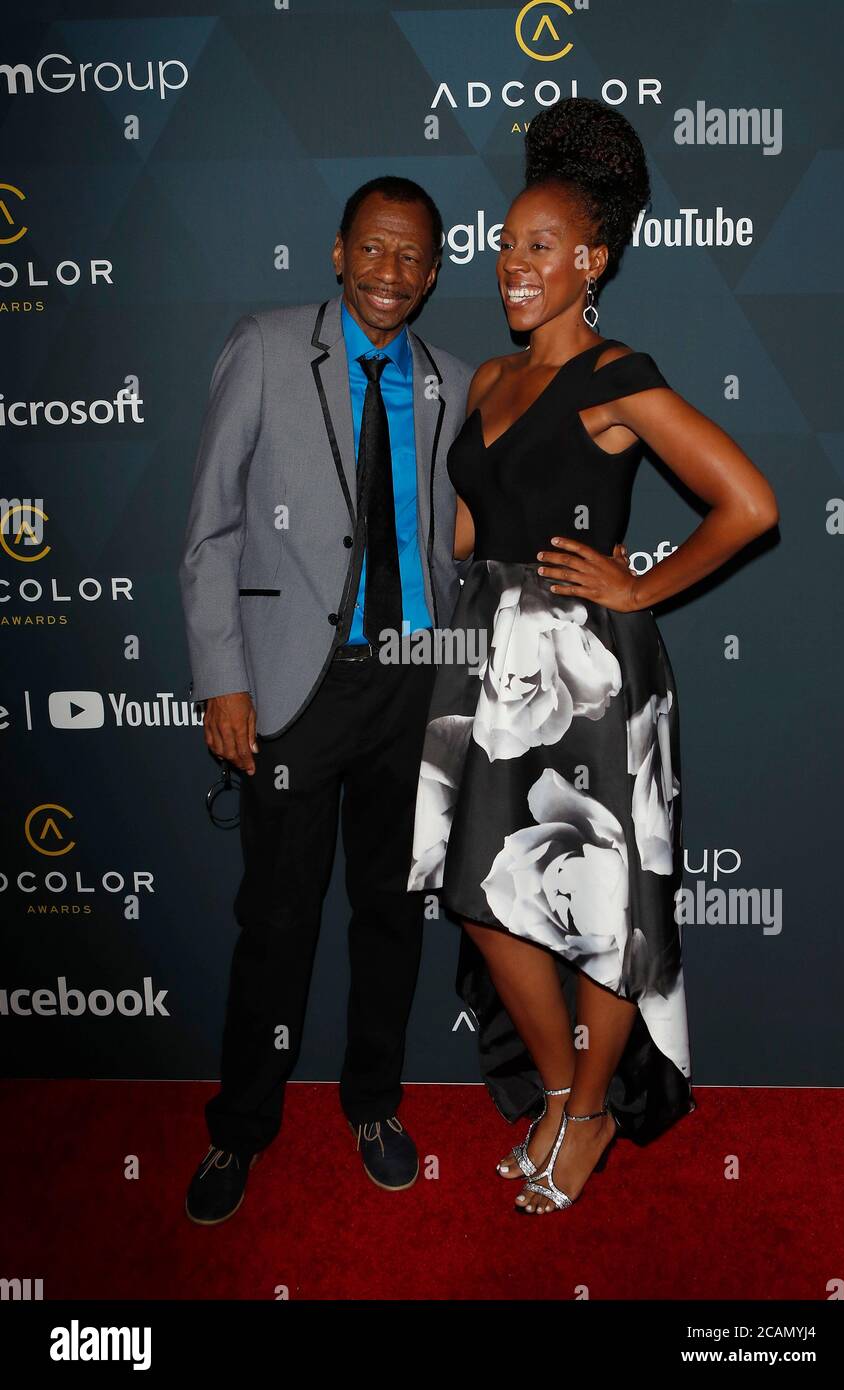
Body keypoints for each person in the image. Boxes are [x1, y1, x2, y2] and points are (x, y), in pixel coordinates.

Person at [178, 172, 633, 1225]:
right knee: (276, 922)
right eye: (371, 251)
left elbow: (499, 512)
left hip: (417, 686)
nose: (390, 273)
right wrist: (222, 677)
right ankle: (240, 1126)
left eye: (411, 257)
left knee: (392, 916)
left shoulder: (456, 380)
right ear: (339, 253)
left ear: (433, 273)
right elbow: (206, 528)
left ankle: (374, 1102)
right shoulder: (264, 345)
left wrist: (599, 551)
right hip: (295, 684)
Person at [408, 98, 779, 1215]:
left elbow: (748, 504)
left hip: (585, 668)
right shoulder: (485, 381)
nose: (510, 264)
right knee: (478, 895)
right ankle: (574, 1092)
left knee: (600, 904)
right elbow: (468, 534)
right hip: (483, 657)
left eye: (538, 247)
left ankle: (586, 1111)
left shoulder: (615, 375)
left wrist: (635, 584)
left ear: (591, 261)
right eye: (505, 243)